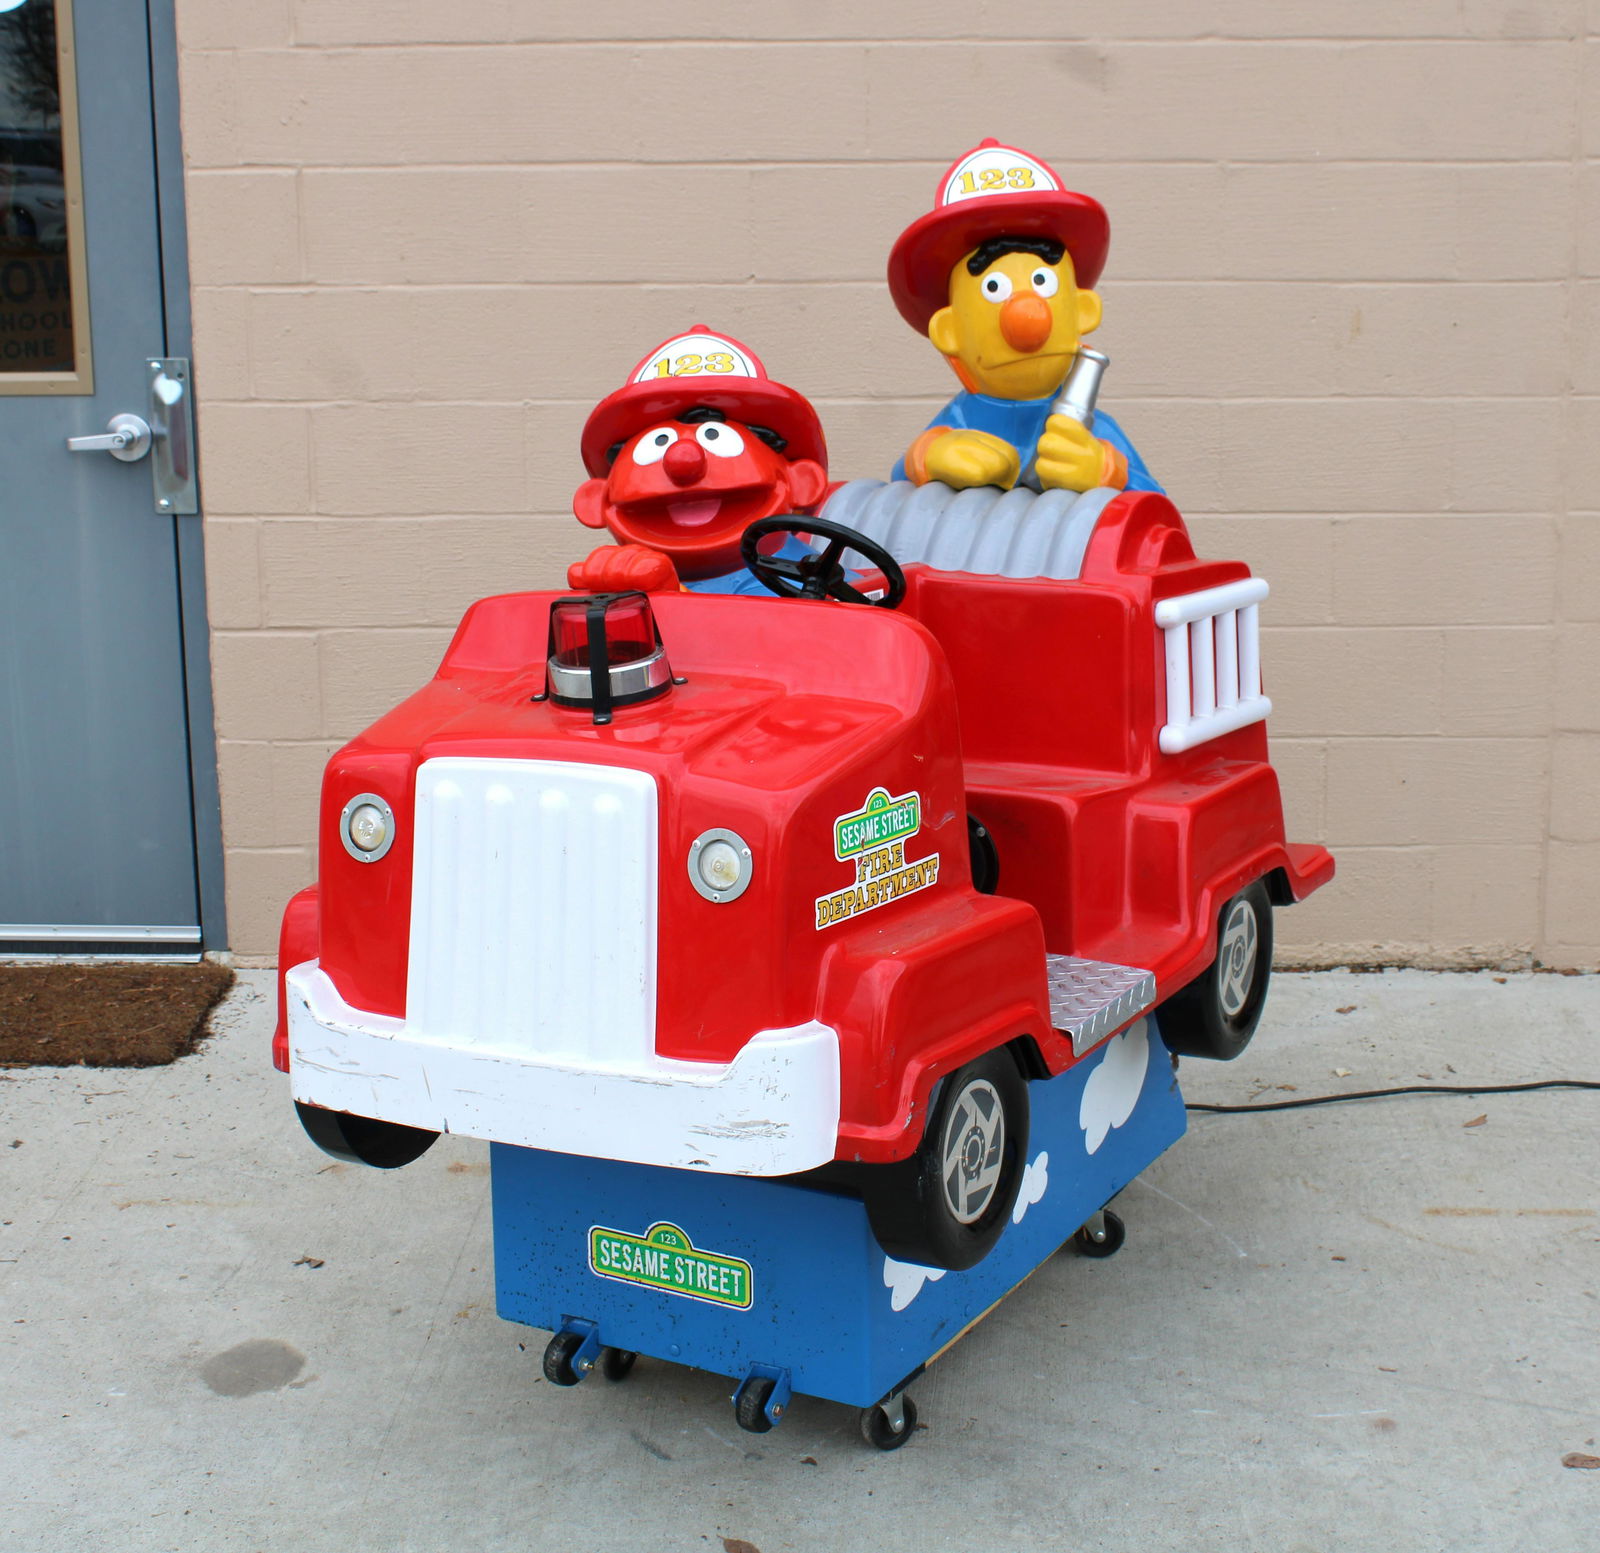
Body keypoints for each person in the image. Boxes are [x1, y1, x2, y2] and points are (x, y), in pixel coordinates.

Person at [886, 139, 1160, 496]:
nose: (1028, 318)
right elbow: (893, 500)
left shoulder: (1094, 435)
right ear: (949, 331)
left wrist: (1109, 472)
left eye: (1041, 284)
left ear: (1083, 311)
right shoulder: (956, 425)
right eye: (995, 289)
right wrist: (926, 457)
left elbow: (1162, 524)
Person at [568, 327, 830, 596]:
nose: (682, 461)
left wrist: (673, 598)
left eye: (713, 437)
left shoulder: (821, 580)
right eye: (659, 444)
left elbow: (810, 627)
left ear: (802, 483)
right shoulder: (624, 578)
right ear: (596, 500)